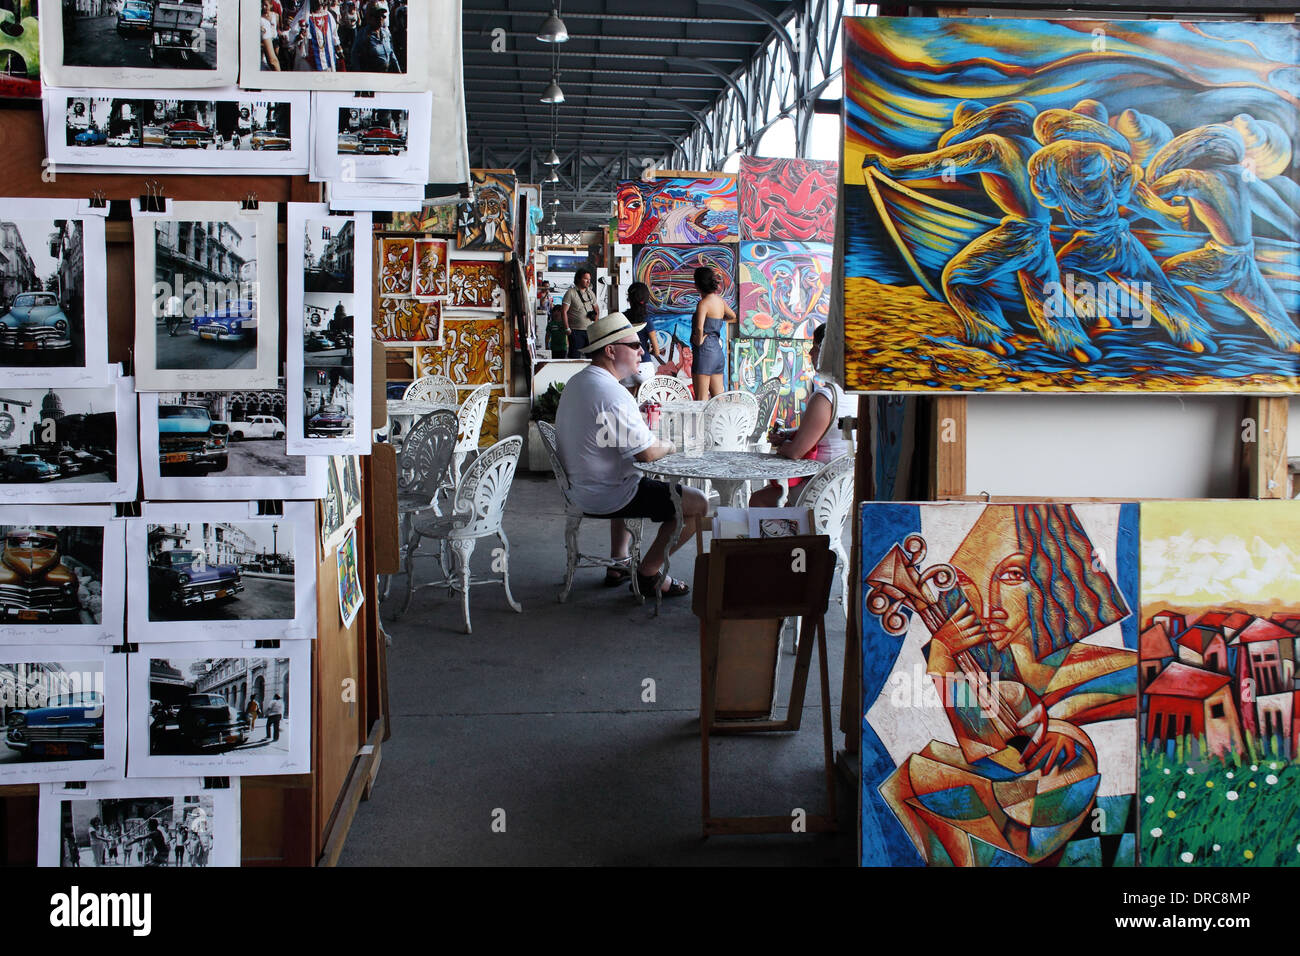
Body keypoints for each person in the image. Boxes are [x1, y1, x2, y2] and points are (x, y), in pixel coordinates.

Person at [555, 313, 708, 596]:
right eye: (635, 345)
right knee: (698, 504)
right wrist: (671, 445)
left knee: (630, 473)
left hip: (581, 488)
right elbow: (647, 454)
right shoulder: (610, 392)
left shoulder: (581, 381)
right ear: (611, 351)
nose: (642, 351)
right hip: (607, 493)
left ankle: (618, 562)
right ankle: (649, 573)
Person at [749, 325, 849, 507]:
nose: (810, 352)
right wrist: (789, 433)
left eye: (816, 347)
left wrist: (784, 445)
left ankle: (785, 536)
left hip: (819, 490)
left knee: (758, 500)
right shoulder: (853, 394)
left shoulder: (825, 398)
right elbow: (827, 428)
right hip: (844, 488)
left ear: (828, 350)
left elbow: (796, 452)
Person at [690, 266, 736, 401]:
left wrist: (698, 340)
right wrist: (717, 322)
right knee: (719, 399)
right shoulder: (720, 302)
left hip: (704, 354)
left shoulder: (703, 304)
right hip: (717, 353)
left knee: (701, 400)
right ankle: (721, 422)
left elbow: (699, 328)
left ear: (698, 284)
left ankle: (700, 424)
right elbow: (732, 315)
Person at [286, 0, 343, 72]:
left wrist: (339, 50)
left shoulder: (328, 16)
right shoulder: (303, 17)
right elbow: (290, 40)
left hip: (328, 60)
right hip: (308, 62)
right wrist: (299, 37)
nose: (319, 3)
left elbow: (335, 36)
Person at [626, 281, 665, 385]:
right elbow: (656, 352)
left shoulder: (622, 318)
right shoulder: (647, 320)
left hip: (625, 366)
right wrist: (650, 349)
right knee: (647, 400)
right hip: (644, 365)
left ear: (629, 298)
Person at [351, 1, 402, 73]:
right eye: (377, 16)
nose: (381, 18)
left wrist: (398, 72)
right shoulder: (363, 35)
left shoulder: (386, 34)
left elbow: (392, 54)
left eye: (383, 16)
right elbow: (355, 60)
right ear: (369, 17)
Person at [562, 267, 601, 358]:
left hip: (590, 331)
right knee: (574, 356)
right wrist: (567, 329)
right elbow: (563, 311)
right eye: (585, 279)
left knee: (592, 357)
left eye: (589, 279)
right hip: (575, 331)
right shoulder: (571, 293)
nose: (588, 281)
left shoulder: (590, 293)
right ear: (579, 279)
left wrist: (595, 324)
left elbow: (597, 309)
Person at [260, 0, 281, 70]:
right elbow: (272, 61)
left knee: (276, 56)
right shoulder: (262, 19)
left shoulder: (275, 15)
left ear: (271, 5)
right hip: (266, 39)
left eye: (266, 5)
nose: (264, 7)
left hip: (274, 39)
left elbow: (278, 27)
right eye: (262, 5)